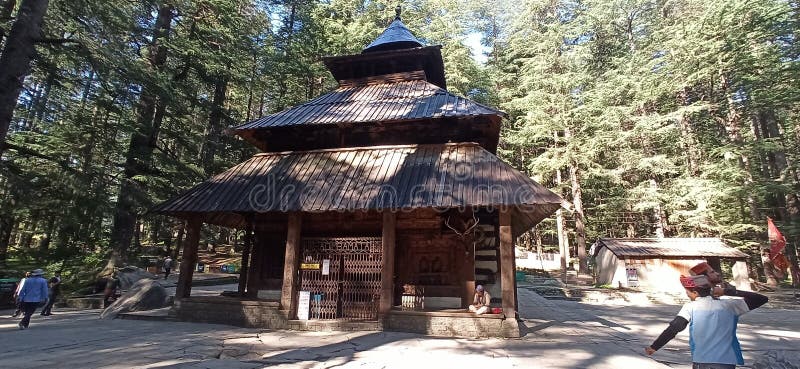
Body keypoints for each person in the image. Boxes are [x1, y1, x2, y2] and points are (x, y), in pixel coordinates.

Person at [645, 274, 768, 368]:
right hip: (727, 361)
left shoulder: (690, 307)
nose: (687, 295)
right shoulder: (730, 305)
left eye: (687, 292)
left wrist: (654, 347)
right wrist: (726, 291)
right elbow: (761, 299)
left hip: (702, 360)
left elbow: (674, 328)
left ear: (695, 292)